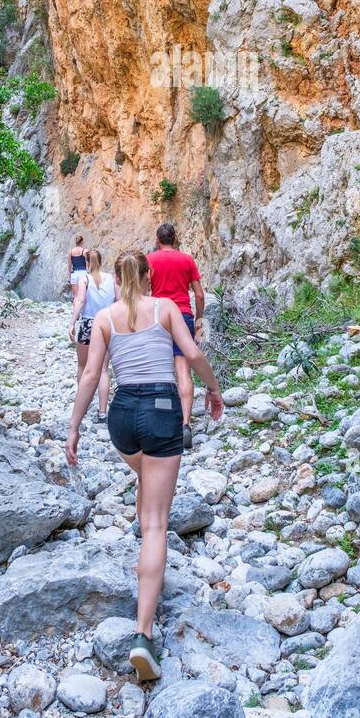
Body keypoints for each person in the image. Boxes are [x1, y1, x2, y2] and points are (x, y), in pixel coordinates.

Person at [65, 250, 223, 681]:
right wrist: (213, 391)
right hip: (159, 409)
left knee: (146, 489)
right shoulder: (166, 308)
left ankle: (146, 513)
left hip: (121, 419)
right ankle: (143, 635)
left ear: (116, 280)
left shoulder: (106, 319)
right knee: (155, 523)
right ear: (149, 276)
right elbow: (191, 354)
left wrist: (74, 428)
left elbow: (91, 375)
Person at [147, 223, 204, 450]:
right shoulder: (187, 260)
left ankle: (161, 422)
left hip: (158, 316)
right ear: (175, 238)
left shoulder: (149, 260)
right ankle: (185, 424)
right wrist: (199, 322)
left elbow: (143, 291)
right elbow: (199, 295)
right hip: (183, 316)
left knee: (159, 371)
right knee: (183, 370)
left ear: (157, 239)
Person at [69, 249, 115, 422]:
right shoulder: (110, 279)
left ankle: (84, 406)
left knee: (83, 366)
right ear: (101, 261)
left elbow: (80, 300)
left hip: (89, 324)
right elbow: (118, 300)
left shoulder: (84, 279)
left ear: (87, 262)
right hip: (108, 324)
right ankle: (103, 412)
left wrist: (72, 322)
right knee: (103, 369)